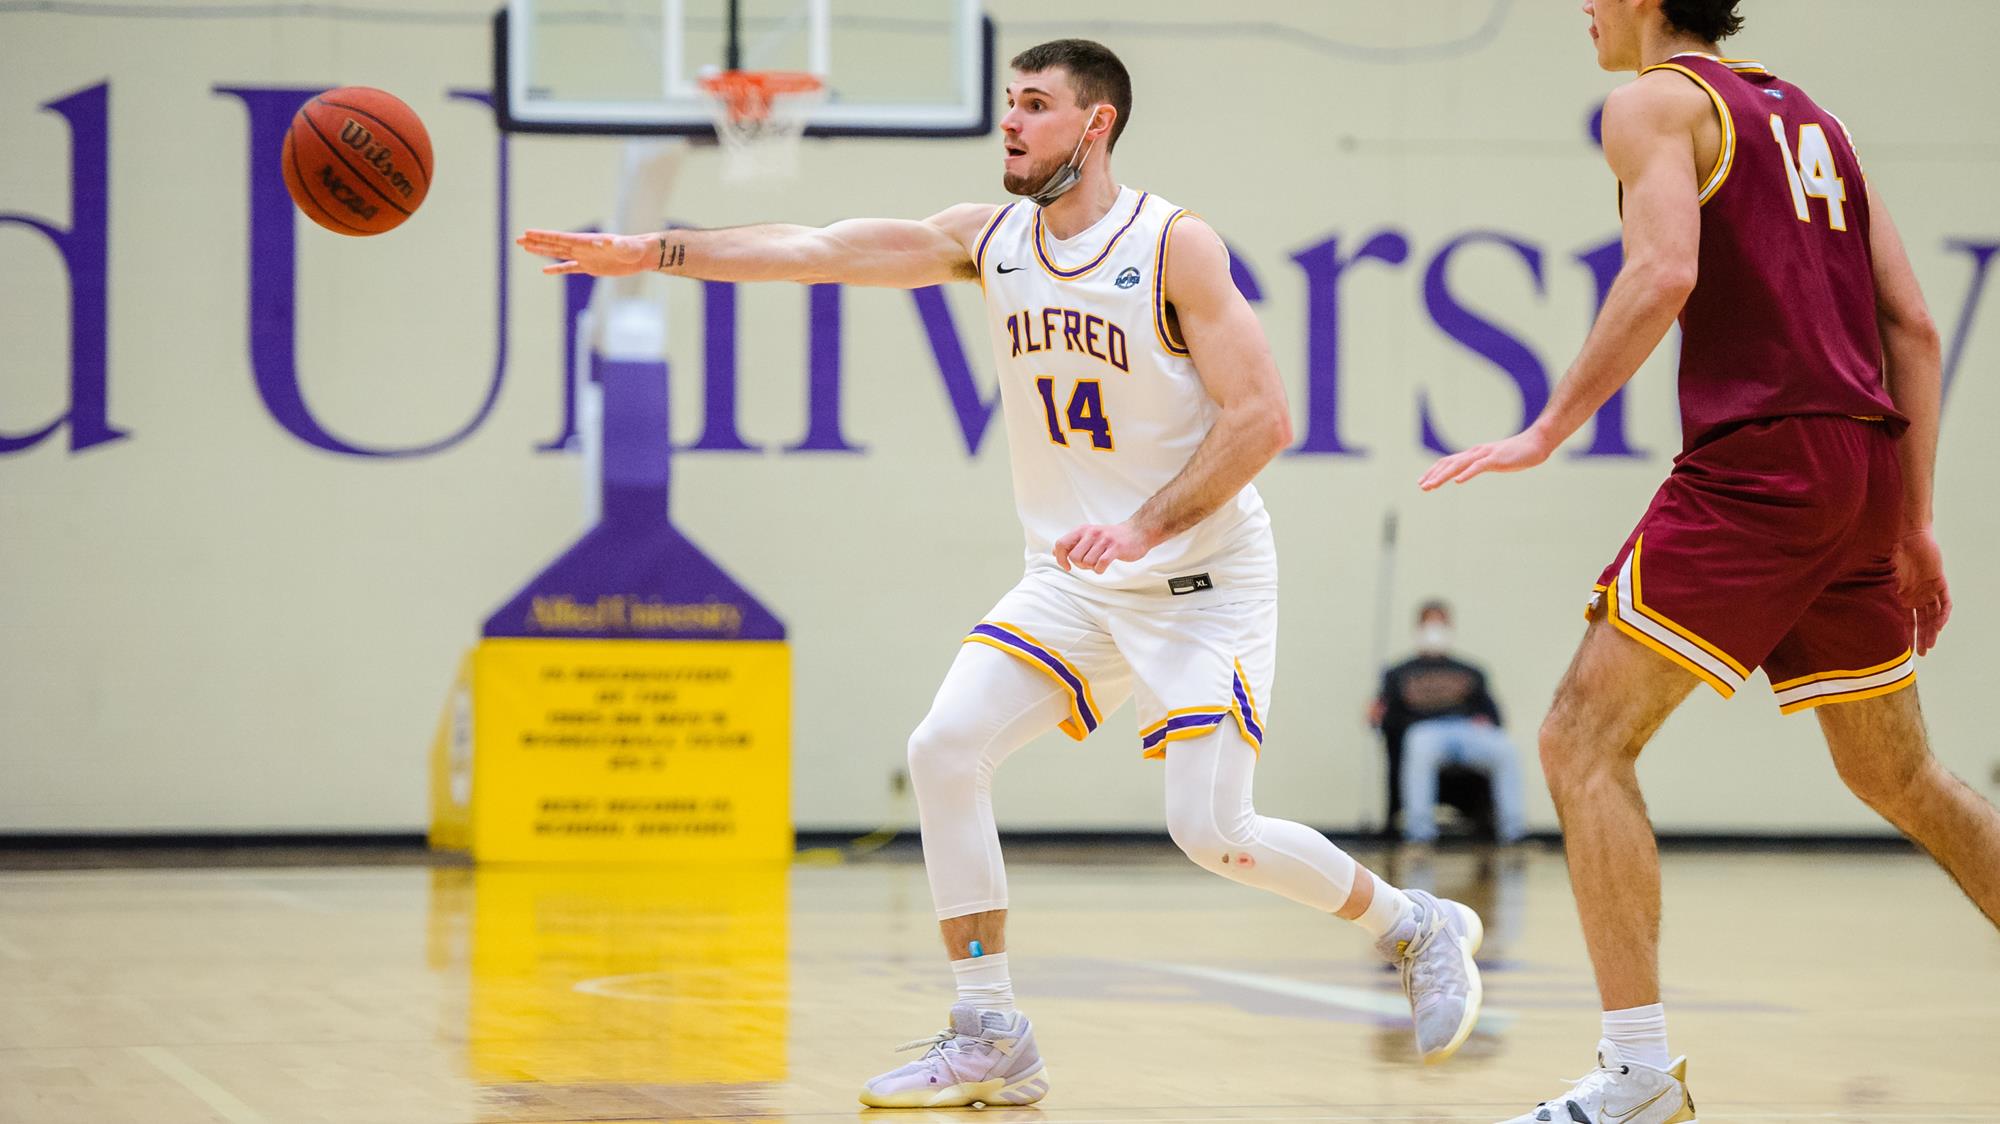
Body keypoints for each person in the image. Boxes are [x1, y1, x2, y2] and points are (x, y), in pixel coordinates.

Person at [520, 37, 1485, 1109]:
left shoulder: (1173, 247)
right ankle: (988, 1031)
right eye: (1006, 107)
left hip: (1200, 582)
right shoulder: (990, 240)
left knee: (1211, 831)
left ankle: (1416, 923)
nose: (1009, 125)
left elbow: (1264, 418)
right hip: (1071, 581)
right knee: (943, 747)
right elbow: (820, 247)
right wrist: (655, 251)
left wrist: (1145, 524)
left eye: (1033, 105)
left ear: (1095, 123)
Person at [1419, 2, 2000, 1121]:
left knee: (1578, 737)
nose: (1580, 8)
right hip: (1861, 465)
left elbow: (1660, 273)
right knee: (1898, 776)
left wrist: (1546, 427)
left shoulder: (1650, 103)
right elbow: (1913, 328)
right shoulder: (1815, 122)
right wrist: (1913, 517)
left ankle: (1636, 1074)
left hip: (1762, 464)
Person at [1371, 600, 1527, 846]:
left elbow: (1493, 714)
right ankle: (1419, 836)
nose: (1434, 630)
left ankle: (1513, 835)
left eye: (1440, 623)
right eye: (1429, 623)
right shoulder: (1398, 673)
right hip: (1424, 731)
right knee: (1419, 744)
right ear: (1418, 628)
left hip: (1466, 730)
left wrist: (1487, 721)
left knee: (1505, 749)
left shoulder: (1470, 670)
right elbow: (1384, 715)